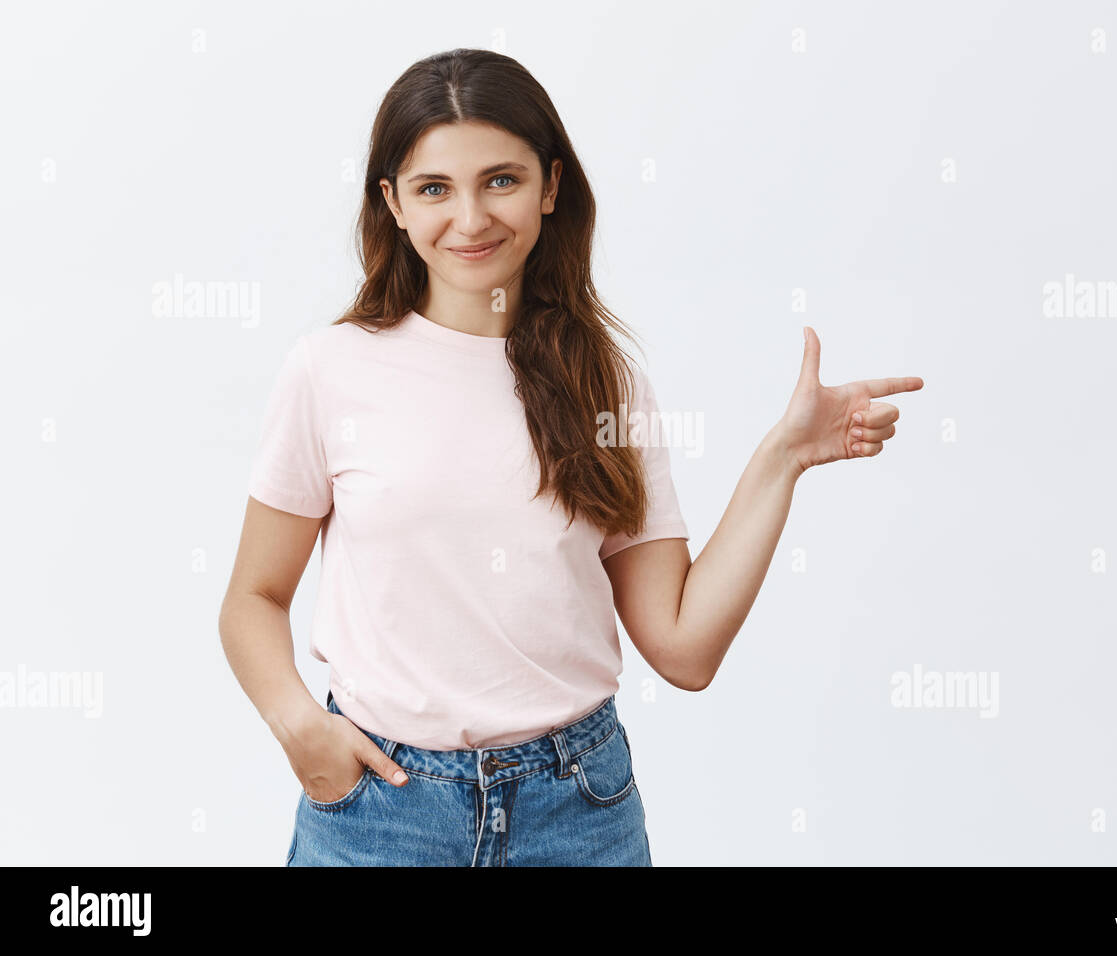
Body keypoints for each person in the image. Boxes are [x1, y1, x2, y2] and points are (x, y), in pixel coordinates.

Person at [218, 48, 923, 867]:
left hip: (576, 811)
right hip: (380, 813)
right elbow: (253, 598)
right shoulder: (330, 369)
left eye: (502, 180)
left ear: (551, 187)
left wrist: (784, 457)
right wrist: (301, 726)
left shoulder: (605, 380)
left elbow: (685, 649)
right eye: (435, 188)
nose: (472, 217)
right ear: (394, 204)